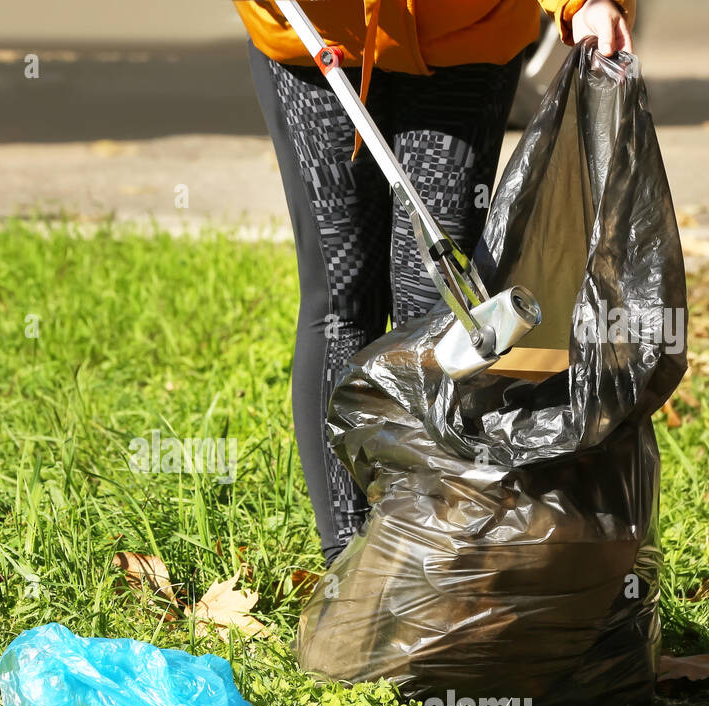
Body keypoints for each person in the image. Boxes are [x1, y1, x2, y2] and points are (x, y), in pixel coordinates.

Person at [236, 0, 634, 564]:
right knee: (342, 297)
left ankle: (429, 564)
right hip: (315, 28)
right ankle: (347, 569)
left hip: (464, 29)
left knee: (437, 305)